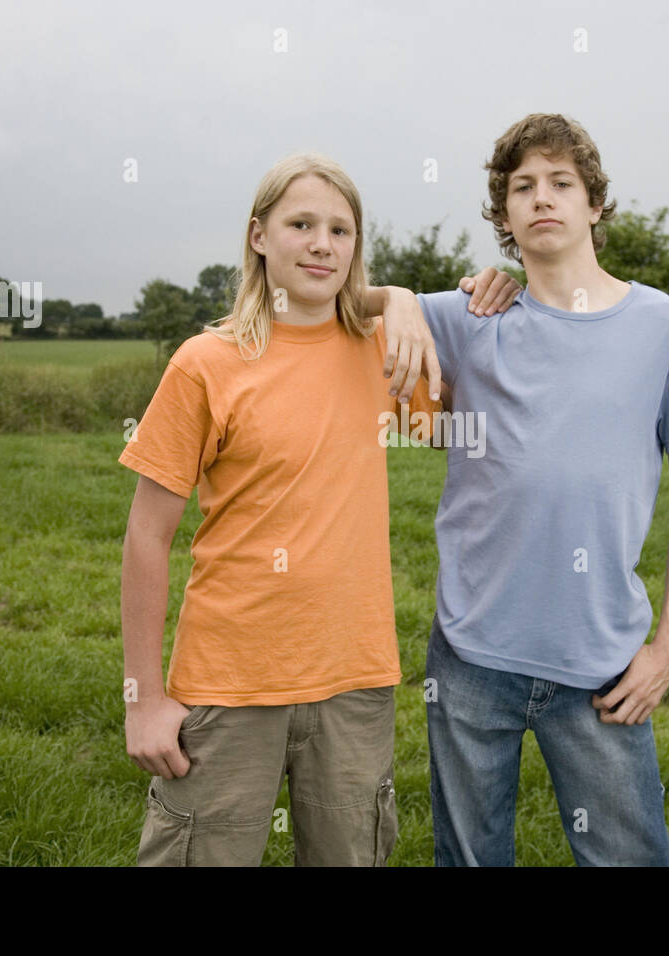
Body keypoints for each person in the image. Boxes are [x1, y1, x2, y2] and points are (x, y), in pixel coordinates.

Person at [117, 152, 516, 866]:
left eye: (341, 229)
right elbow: (148, 535)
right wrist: (143, 700)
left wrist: (490, 294)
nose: (322, 243)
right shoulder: (205, 364)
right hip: (229, 682)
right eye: (301, 223)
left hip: (354, 681)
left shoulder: (382, 349)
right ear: (259, 235)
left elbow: (486, 409)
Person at [395, 113, 669, 866]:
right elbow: (340, 300)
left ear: (594, 204)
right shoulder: (468, 317)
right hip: (472, 655)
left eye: (561, 184)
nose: (542, 198)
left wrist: (667, 649)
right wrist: (404, 299)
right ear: (504, 216)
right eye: (522, 187)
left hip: (601, 665)